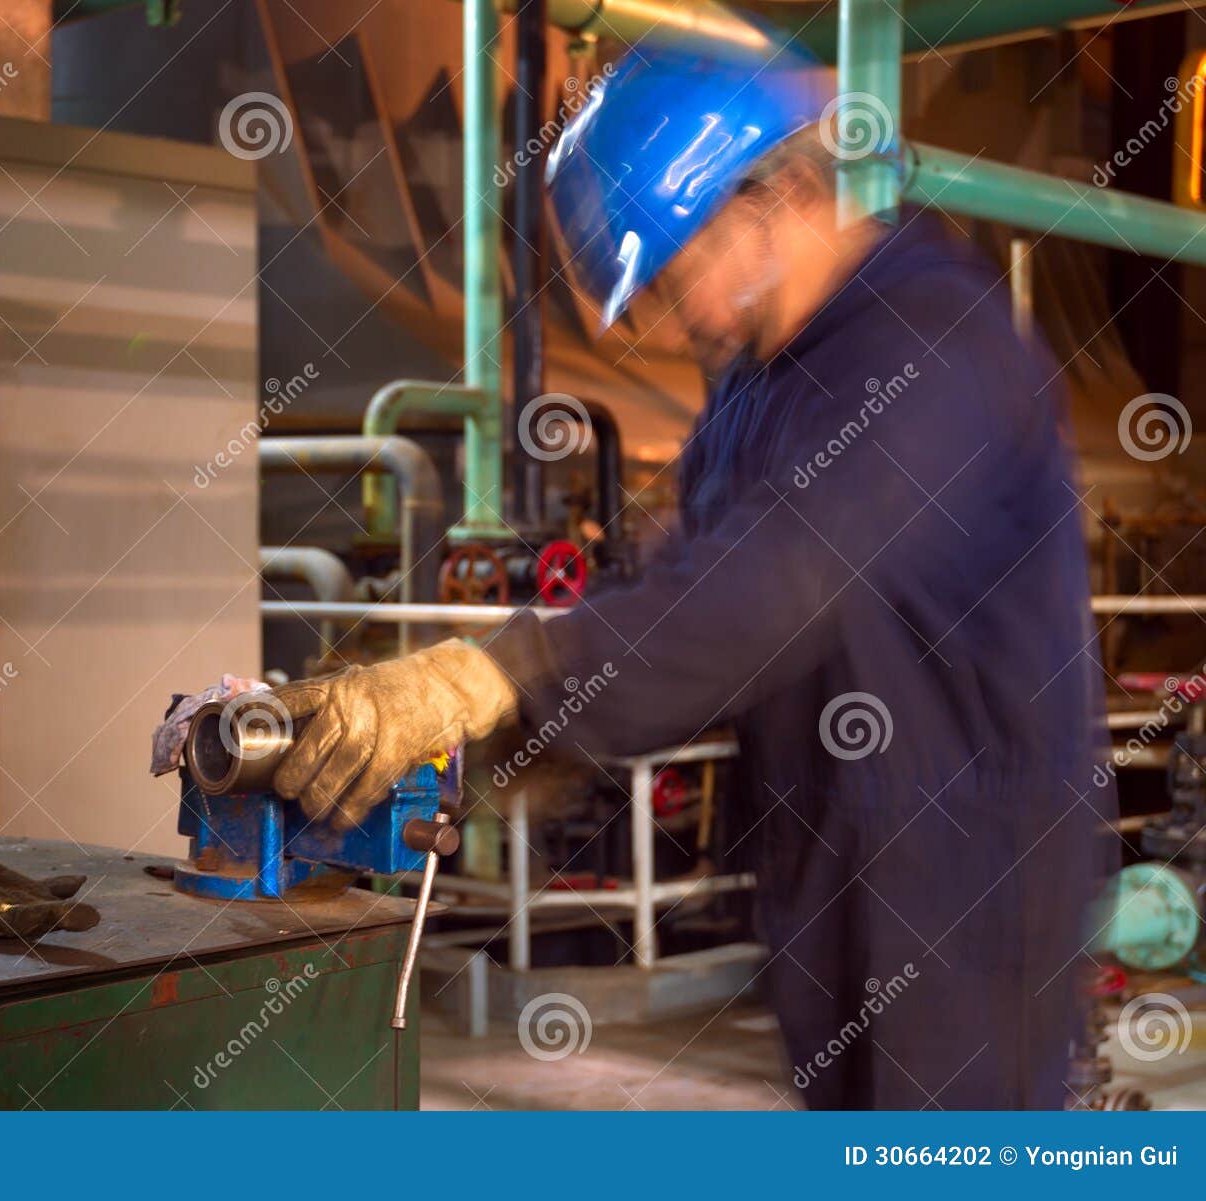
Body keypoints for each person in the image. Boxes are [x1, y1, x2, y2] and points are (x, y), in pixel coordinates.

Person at [270, 42, 1111, 1109]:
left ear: (776, 197)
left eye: (672, 279)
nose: (671, 325)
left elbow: (773, 584)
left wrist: (503, 669)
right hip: (832, 859)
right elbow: (680, 592)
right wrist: (506, 738)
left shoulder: (934, 345)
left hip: (965, 878)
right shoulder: (754, 389)